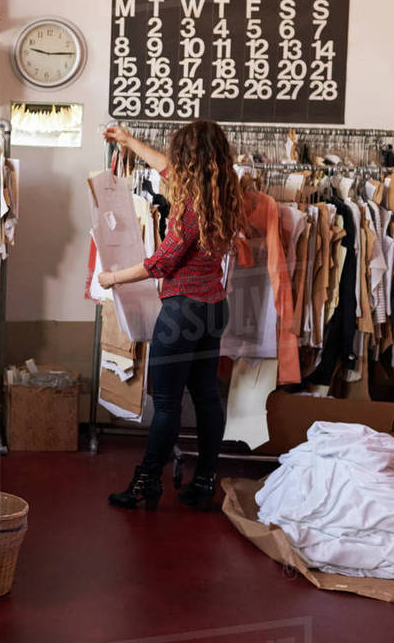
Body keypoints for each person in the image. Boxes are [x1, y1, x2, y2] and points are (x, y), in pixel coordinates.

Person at [98, 120, 245, 511]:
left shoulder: (191, 206)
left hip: (183, 313)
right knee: (207, 397)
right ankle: (205, 480)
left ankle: (146, 482)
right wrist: (128, 140)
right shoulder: (225, 190)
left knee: (166, 403)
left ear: (189, 159)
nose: (173, 163)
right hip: (214, 307)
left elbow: (161, 263)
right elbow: (165, 168)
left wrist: (112, 278)